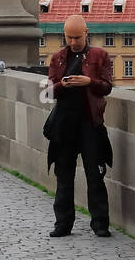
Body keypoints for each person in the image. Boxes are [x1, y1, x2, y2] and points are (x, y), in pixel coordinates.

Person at [44, 15, 113, 237]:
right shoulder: (58, 58)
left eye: (76, 37)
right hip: (64, 125)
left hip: (90, 124)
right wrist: (62, 85)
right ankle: (62, 223)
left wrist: (88, 82)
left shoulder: (99, 55)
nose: (73, 42)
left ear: (86, 32)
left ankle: (100, 223)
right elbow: (48, 92)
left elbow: (106, 87)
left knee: (95, 175)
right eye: (68, 37)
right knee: (63, 175)